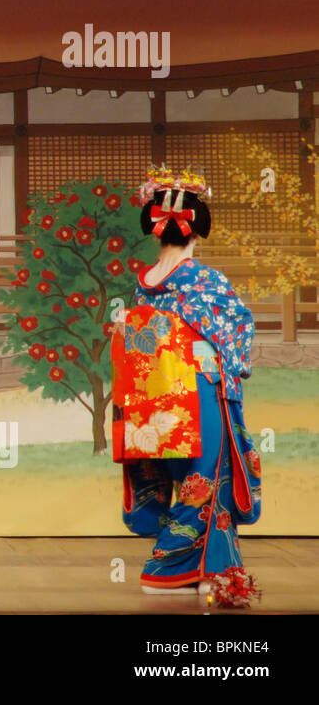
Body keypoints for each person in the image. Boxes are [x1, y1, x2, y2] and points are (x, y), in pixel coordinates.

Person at [113, 167, 261, 597]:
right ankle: (171, 567)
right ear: (197, 230)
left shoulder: (144, 284)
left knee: (184, 474)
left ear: (155, 230)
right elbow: (237, 332)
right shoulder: (204, 279)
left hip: (154, 400)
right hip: (198, 390)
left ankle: (212, 569)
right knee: (207, 478)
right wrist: (230, 369)